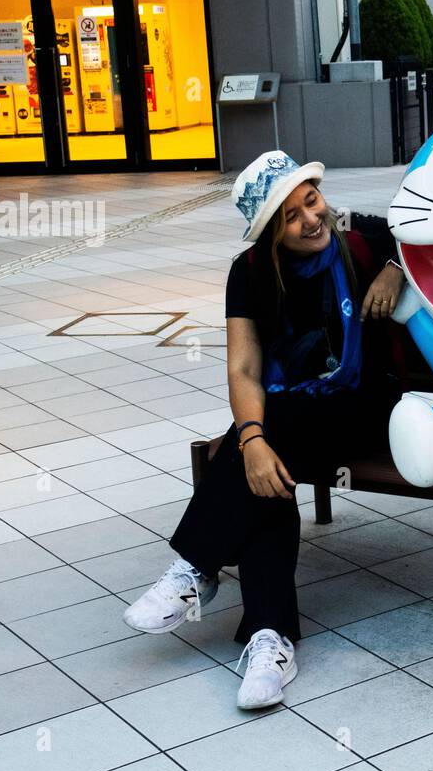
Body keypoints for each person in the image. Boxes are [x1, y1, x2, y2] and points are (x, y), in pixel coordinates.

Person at [123, 150, 405, 709]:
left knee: (270, 435)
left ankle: (198, 566)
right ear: (271, 232)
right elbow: (244, 369)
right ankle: (268, 640)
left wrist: (396, 269)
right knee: (268, 472)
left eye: (312, 199)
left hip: (365, 406)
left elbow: (414, 231)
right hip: (289, 421)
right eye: (292, 215)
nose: (312, 218)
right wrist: (251, 441)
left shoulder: (359, 238)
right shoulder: (249, 273)